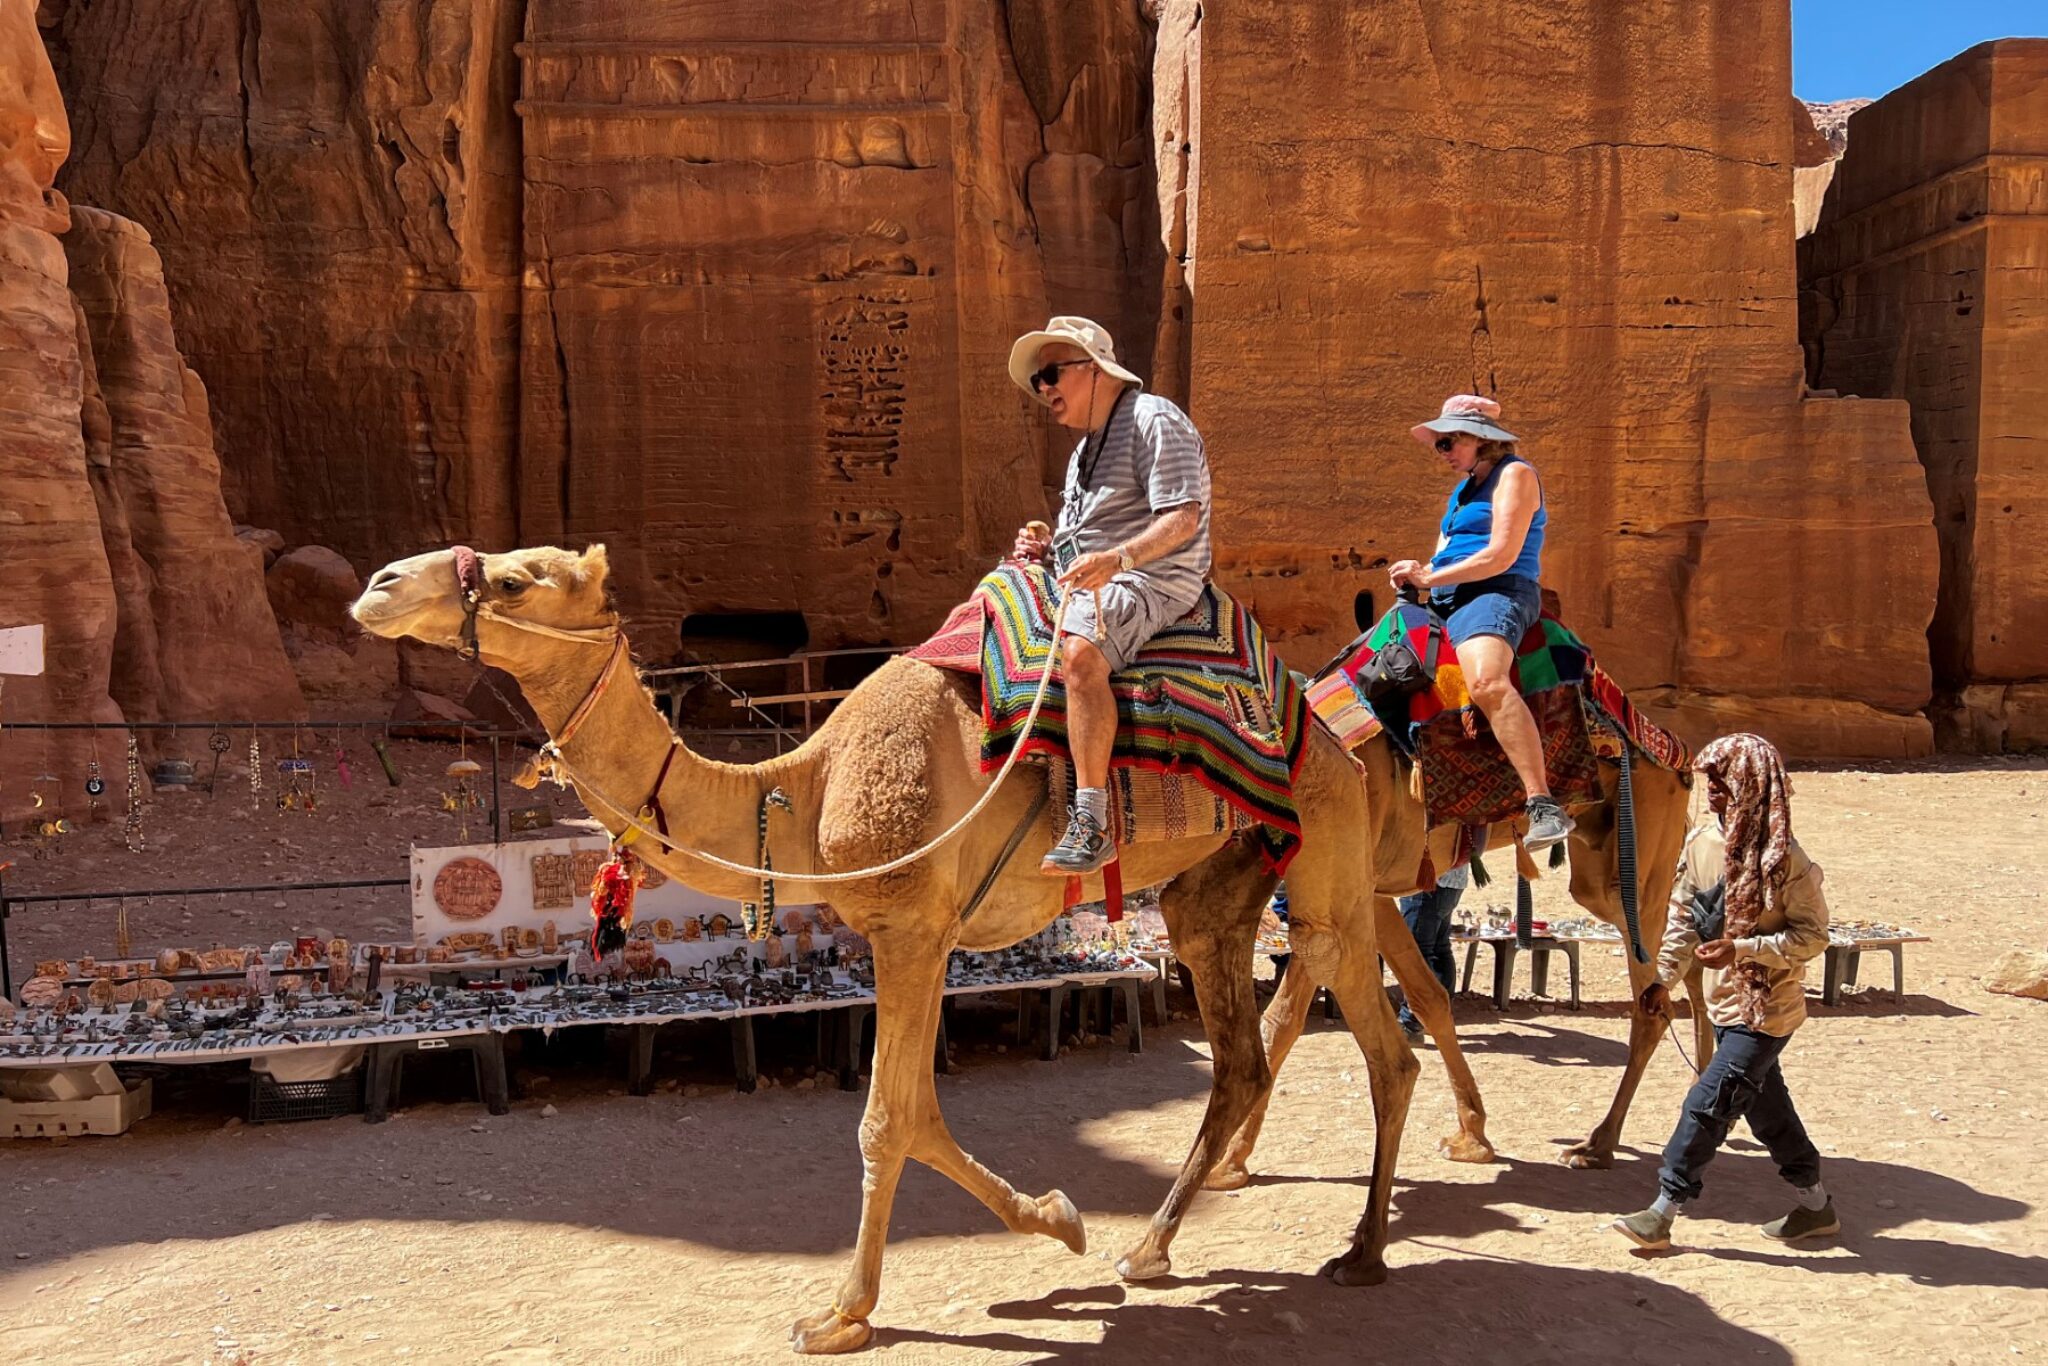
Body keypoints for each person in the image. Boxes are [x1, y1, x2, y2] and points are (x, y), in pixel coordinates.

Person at [1612, 734, 1838, 1251]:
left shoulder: (1787, 862)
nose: (1710, 792)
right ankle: (1816, 1207)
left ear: (1750, 786)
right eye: (1708, 782)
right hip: (1723, 1004)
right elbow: (1684, 916)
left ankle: (1663, 1210)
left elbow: (1813, 937)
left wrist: (1744, 950)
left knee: (1707, 1104)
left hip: (1767, 1012)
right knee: (1768, 1112)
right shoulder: (1702, 845)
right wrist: (1662, 979)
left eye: (1721, 783)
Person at [1007, 317, 1212, 875]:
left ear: (1093, 370)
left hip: (1154, 578)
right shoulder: (1083, 452)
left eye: (1050, 375)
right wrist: (1048, 546)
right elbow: (1086, 535)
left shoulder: (1154, 418)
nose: (1044, 389)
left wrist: (1117, 560)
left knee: (1080, 656)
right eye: (1038, 381)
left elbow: (1182, 517)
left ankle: (1092, 821)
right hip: (1095, 572)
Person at [1387, 395, 1572, 851]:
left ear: (1480, 439)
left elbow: (1500, 555)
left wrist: (1431, 576)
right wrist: (1419, 571)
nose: (1444, 452)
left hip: (1498, 590)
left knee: (1487, 682)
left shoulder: (1517, 475)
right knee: (1380, 663)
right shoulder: (1465, 488)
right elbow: (1445, 551)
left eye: (1449, 441)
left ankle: (1542, 803)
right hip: (1450, 591)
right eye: (1439, 444)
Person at [1393, 872, 1465, 1041]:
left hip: (1425, 882)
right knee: (1440, 949)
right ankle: (1439, 1017)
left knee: (1415, 955)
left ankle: (1411, 1023)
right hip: (1452, 881)